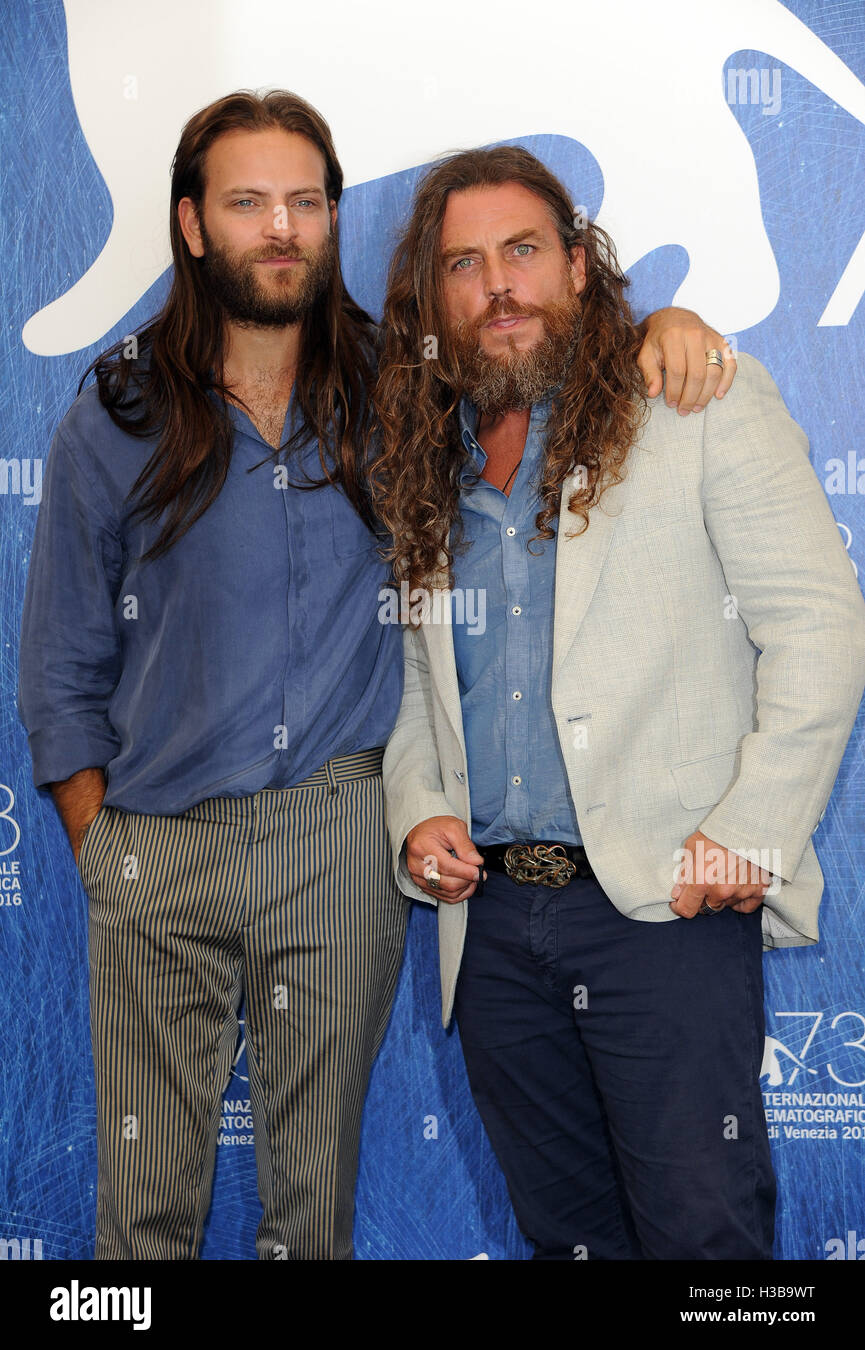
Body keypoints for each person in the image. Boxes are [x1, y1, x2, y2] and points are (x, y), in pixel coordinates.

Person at [18, 89, 733, 1261]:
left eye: (306, 201)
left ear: (335, 218)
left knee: (316, 1217)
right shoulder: (121, 407)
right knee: (140, 1222)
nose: (281, 227)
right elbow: (61, 657)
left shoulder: (405, 386)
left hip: (339, 842)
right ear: (194, 228)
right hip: (154, 842)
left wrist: (677, 320)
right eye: (248, 203)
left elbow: (541, 350)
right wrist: (102, 843)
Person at [374, 144, 865, 1260]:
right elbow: (414, 684)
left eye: (523, 251)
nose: (497, 283)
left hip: (660, 912)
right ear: (434, 297)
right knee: (569, 1242)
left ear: (578, 268)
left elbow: (821, 624)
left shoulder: (690, 403)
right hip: (493, 929)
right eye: (463, 263)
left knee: (705, 1243)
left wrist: (751, 829)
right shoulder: (422, 463)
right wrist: (416, 813)